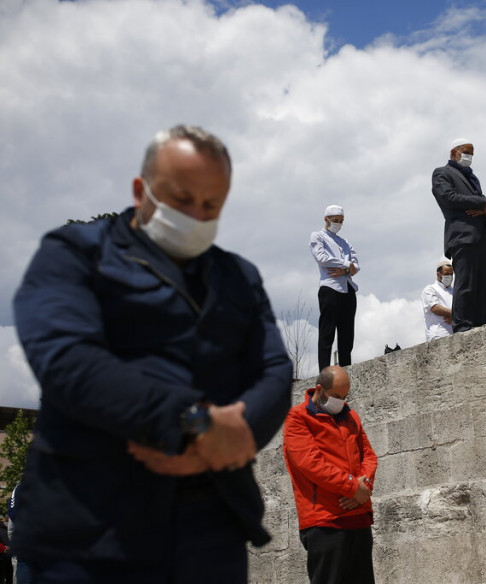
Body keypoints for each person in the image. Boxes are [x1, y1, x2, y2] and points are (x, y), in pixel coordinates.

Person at [12, 125, 294, 583]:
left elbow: (274, 369)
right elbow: (68, 360)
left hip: (209, 531)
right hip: (89, 531)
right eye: (182, 199)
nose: (196, 215)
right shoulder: (74, 253)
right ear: (141, 189)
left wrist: (236, 431)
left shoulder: (237, 276)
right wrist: (194, 425)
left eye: (210, 206)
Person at [283, 366, 378, 584]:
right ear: (319, 389)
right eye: (336, 396)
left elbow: (369, 456)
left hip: (358, 517)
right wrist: (354, 487)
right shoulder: (297, 418)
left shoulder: (351, 415)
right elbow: (311, 464)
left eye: (344, 397)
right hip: (324, 521)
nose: (341, 402)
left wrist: (364, 486)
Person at [431, 138, 486, 332]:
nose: (469, 157)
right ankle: (463, 325)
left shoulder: (472, 178)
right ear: (454, 153)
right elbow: (448, 197)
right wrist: (480, 203)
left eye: (472, 154)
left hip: (482, 237)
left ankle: (480, 323)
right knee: (466, 282)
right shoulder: (442, 173)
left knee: (483, 284)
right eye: (466, 152)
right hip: (462, 235)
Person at [311, 205, 360, 370]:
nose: (338, 224)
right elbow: (322, 258)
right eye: (335, 221)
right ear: (326, 219)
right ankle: (324, 370)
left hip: (348, 288)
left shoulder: (345, 242)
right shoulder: (317, 236)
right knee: (327, 331)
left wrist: (346, 269)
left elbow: (356, 267)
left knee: (347, 333)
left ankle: (346, 369)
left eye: (341, 221)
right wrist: (347, 265)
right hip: (330, 288)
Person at [422, 260, 454, 341]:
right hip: (438, 335)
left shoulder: (454, 291)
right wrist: (456, 315)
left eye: (451, 274)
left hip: (455, 333)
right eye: (446, 274)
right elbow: (435, 308)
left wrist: (455, 317)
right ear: (438, 274)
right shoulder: (430, 289)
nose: (449, 277)